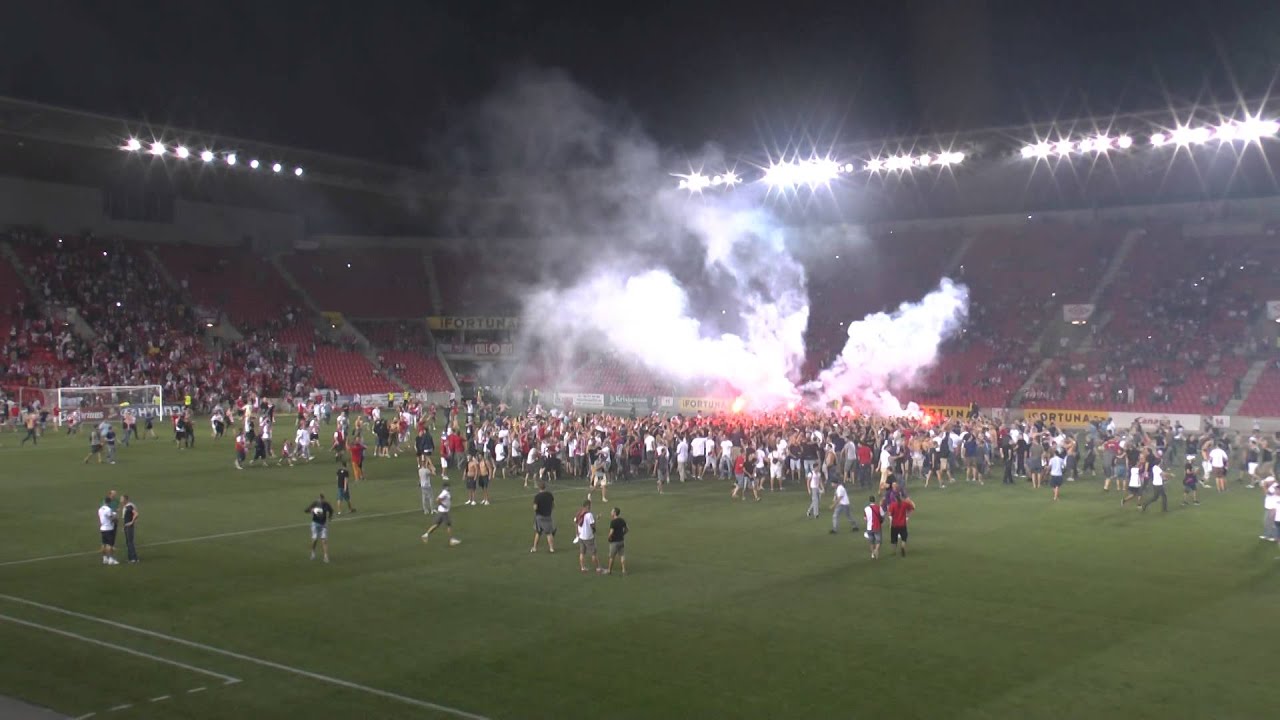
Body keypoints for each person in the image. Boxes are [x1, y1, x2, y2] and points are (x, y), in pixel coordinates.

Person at [306, 494, 334, 562]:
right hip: (315, 524)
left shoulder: (326, 504)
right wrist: (311, 510)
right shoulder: (315, 503)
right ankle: (313, 552)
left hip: (323, 525)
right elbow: (306, 510)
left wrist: (330, 517)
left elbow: (331, 510)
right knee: (315, 539)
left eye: (322, 500)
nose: (321, 501)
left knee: (324, 540)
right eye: (320, 500)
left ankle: (325, 556)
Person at [887, 493, 916, 557]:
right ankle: (902, 547)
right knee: (904, 537)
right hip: (903, 524)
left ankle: (894, 551)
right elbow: (912, 508)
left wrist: (890, 524)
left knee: (894, 539)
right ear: (900, 497)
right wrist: (907, 516)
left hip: (894, 525)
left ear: (895, 498)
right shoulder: (904, 504)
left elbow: (890, 515)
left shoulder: (892, 505)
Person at [531, 481, 556, 553]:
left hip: (539, 516)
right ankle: (551, 548)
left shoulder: (537, 496)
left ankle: (535, 547)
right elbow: (553, 505)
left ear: (539, 487)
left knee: (538, 532)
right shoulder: (549, 495)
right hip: (548, 516)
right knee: (548, 533)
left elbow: (535, 507)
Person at [576, 499, 600, 573]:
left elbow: (576, 522)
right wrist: (594, 529)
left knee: (582, 553)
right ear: (588, 505)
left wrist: (577, 533)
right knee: (593, 553)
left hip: (581, 536)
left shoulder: (579, 512)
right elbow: (592, 524)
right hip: (588, 537)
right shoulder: (589, 515)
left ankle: (582, 567)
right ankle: (598, 568)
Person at [605, 507, 627, 575]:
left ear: (614, 513)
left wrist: (608, 537)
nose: (611, 512)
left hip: (614, 542)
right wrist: (622, 534)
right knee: (622, 555)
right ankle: (623, 570)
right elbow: (626, 529)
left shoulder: (613, 522)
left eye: (612, 511)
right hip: (621, 541)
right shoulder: (622, 520)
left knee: (611, 557)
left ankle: (609, 570)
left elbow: (611, 532)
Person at [98, 495, 119, 566]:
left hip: (102, 528)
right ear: (109, 502)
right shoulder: (108, 509)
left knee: (103, 544)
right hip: (109, 528)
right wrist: (116, 518)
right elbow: (112, 518)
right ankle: (110, 559)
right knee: (110, 544)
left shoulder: (100, 509)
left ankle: (104, 558)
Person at [121, 495, 140, 563]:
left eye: (122, 499)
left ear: (125, 500)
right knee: (128, 542)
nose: (121, 500)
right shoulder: (126, 506)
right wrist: (124, 527)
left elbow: (136, 514)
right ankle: (130, 558)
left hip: (129, 527)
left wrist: (131, 522)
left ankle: (134, 558)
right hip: (127, 526)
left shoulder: (129, 506)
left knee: (130, 542)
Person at [863, 495, 884, 559]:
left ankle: (872, 554)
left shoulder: (866, 508)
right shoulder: (878, 507)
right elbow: (882, 515)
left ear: (869, 500)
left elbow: (865, 518)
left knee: (871, 542)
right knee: (878, 541)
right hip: (877, 527)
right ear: (874, 500)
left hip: (869, 528)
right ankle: (876, 549)